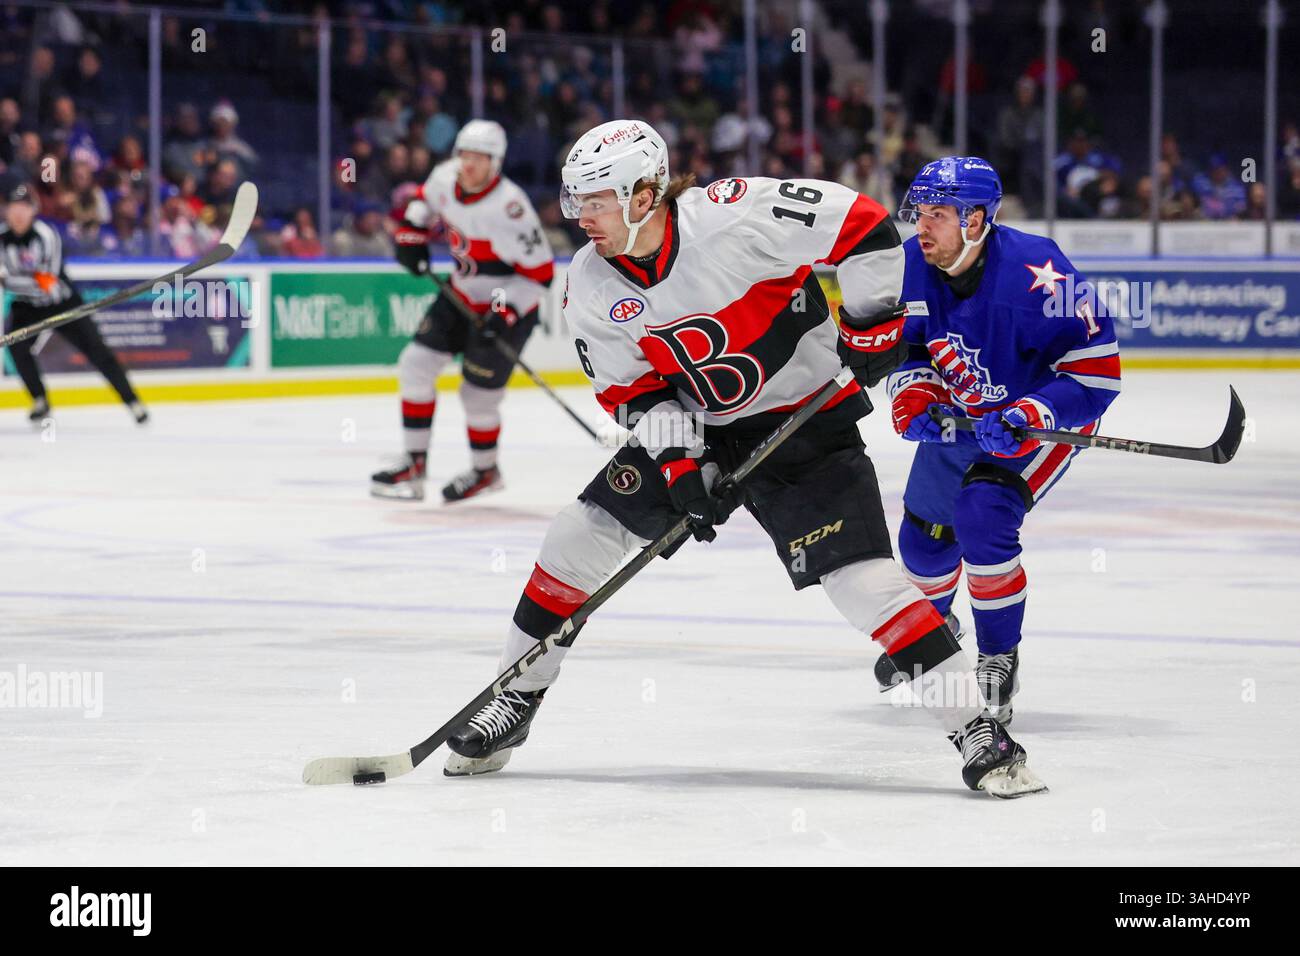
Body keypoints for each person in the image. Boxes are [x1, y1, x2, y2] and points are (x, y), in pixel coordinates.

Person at [440, 121, 1044, 797]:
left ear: (645, 195)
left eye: (597, 201)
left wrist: (872, 322)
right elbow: (632, 390)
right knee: (576, 536)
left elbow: (863, 224)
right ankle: (516, 697)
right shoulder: (590, 284)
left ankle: (976, 727)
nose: (581, 217)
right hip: (698, 425)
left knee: (861, 582)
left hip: (805, 422)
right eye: (575, 201)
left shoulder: (734, 216)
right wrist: (680, 468)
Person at [876, 157, 1121, 723]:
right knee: (924, 542)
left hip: (1044, 421)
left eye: (938, 214)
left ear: (977, 219)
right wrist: (913, 388)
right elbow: (908, 345)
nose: (922, 226)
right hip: (965, 416)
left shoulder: (1040, 272)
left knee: (982, 516)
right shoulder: (910, 264)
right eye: (919, 213)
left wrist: (1030, 411)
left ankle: (997, 657)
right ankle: (933, 639)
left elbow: (1096, 373)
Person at [371, 120, 554, 503]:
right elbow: (424, 201)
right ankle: (414, 465)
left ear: (496, 163)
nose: (468, 165)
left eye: (478, 158)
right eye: (464, 155)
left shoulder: (511, 209)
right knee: (415, 364)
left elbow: (540, 276)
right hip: (460, 295)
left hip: (508, 303)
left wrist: (503, 313)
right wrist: (411, 232)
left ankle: (486, 471)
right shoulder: (444, 177)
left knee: (477, 396)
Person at [0, 184, 148, 424]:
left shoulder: (46, 235)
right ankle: (40, 400)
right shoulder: (2, 237)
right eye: (13, 207)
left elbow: (46, 284)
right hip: (27, 306)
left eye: (23, 207)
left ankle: (133, 402)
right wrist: (15, 282)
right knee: (16, 346)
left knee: (98, 351)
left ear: (33, 210)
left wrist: (6, 282)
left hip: (62, 304)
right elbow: (30, 284)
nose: (18, 213)